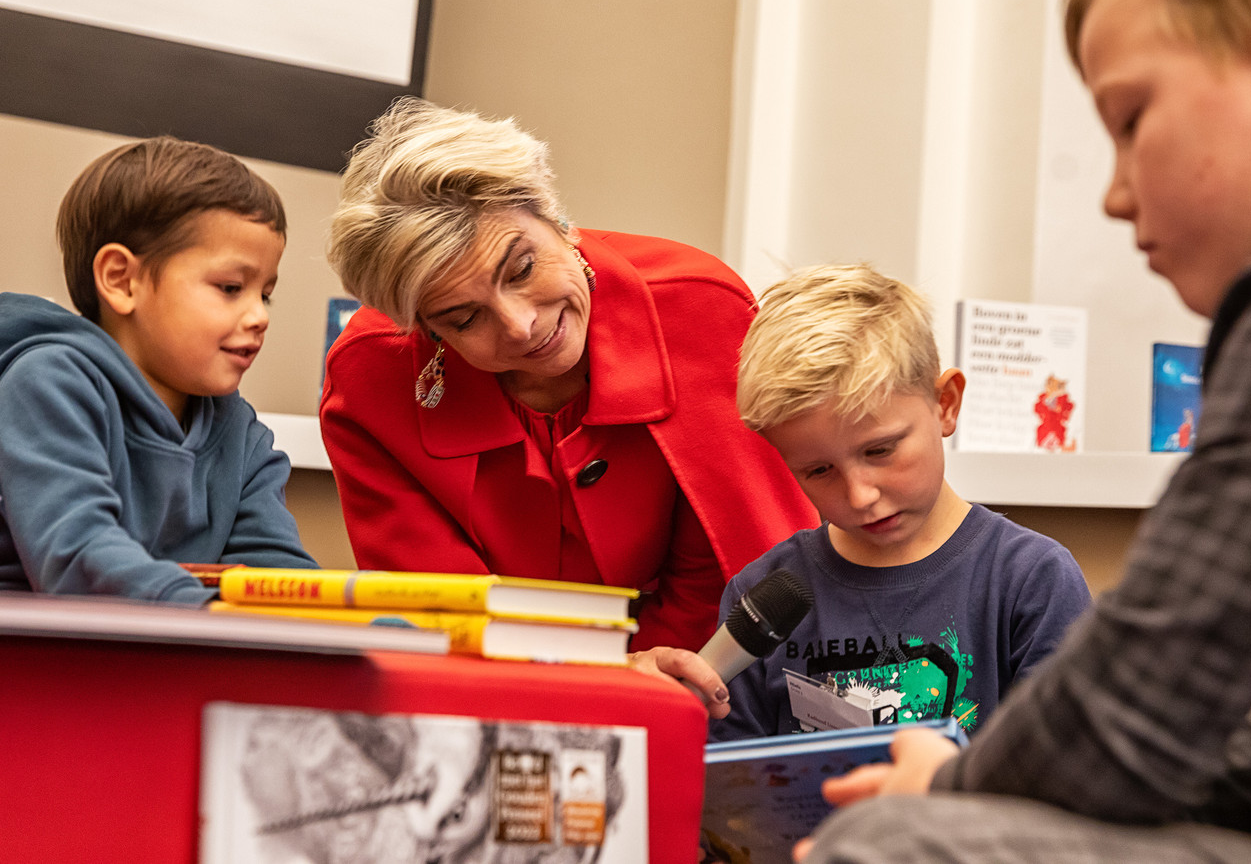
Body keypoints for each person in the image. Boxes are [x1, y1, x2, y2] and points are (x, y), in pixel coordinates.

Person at [802, 0, 1251, 860]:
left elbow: (1134, 711)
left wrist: (944, 790)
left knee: (891, 845)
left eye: (1131, 122)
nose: (1114, 194)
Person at [319, 97, 818, 652]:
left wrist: (642, 677)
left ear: (556, 220)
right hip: (490, 677)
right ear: (426, 331)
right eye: (463, 319)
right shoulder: (369, 374)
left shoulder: (698, 308)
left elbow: (738, 569)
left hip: (702, 668)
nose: (520, 326)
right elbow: (439, 607)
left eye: (522, 269)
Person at [698, 263, 1091, 742]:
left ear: (945, 404)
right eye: (819, 471)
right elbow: (732, 779)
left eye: (880, 451)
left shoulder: (1033, 580)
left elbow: (1064, 767)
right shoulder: (760, 599)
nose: (860, 496)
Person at [0, 137, 317, 605]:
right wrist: (210, 617)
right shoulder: (48, 386)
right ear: (121, 280)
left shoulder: (243, 436)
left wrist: (353, 625)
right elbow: (78, 558)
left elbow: (274, 573)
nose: (259, 316)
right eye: (231, 287)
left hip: (175, 641)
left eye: (265, 295)